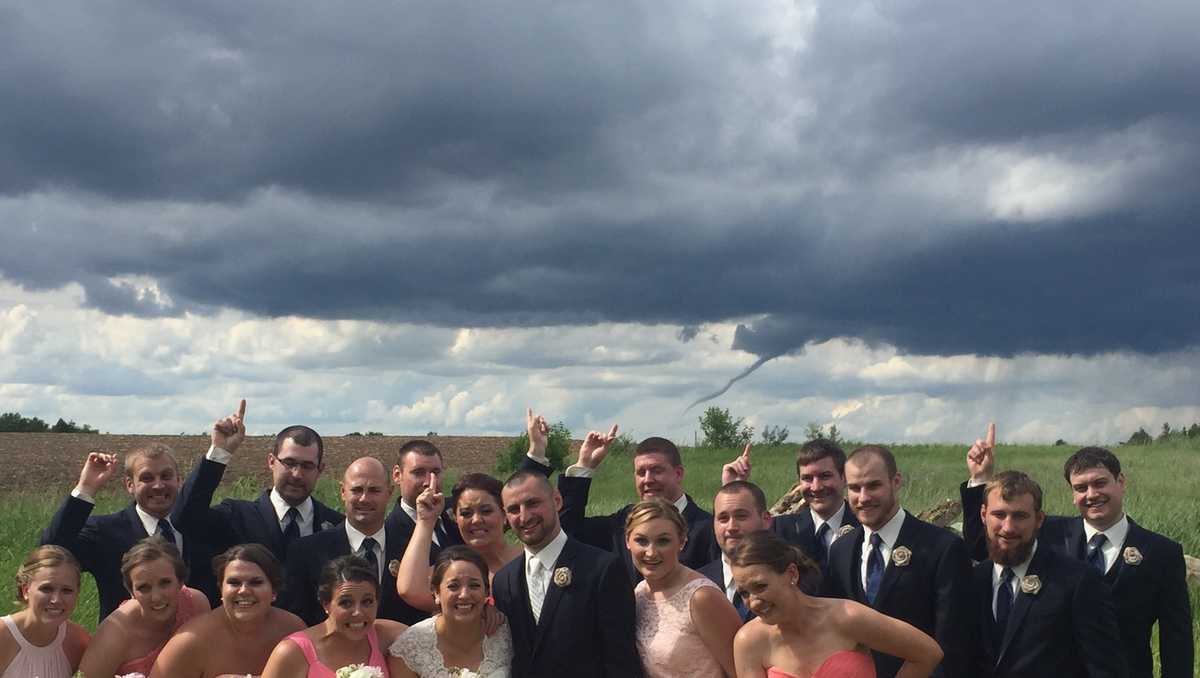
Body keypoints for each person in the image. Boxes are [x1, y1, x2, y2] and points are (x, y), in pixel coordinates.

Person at [961, 424, 1192, 678]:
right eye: (1081, 488)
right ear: (1072, 494)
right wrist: (981, 479)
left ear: (1121, 482)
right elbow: (987, 546)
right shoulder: (1047, 532)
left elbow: (1176, 640)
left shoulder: (1161, 553)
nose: (1092, 495)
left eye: (1100, 483)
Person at [822, 445, 973, 678]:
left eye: (873, 485)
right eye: (854, 488)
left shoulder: (942, 548)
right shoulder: (840, 550)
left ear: (896, 481)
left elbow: (953, 643)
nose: (863, 498)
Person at [525, 410, 716, 582]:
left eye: (657, 470)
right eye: (641, 472)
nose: (648, 479)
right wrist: (584, 466)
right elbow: (567, 531)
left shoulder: (707, 529)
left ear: (678, 474)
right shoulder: (623, 522)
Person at [969, 471, 1127, 677]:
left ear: (1039, 519)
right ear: (983, 515)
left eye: (1020, 516)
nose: (1008, 528)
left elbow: (1106, 669)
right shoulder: (972, 580)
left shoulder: (1078, 581)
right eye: (999, 515)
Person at [491, 470, 643, 677]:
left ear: (557, 500)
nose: (524, 516)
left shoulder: (602, 569)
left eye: (533, 503)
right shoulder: (503, 581)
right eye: (514, 509)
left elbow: (621, 660)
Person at [730, 531, 942, 678]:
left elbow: (927, 653)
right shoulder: (748, 641)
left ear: (791, 574)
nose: (754, 602)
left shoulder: (847, 617)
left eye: (761, 586)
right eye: (744, 593)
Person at [41, 447, 218, 620]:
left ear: (179, 480)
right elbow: (52, 549)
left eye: (166, 476)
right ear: (130, 485)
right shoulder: (105, 532)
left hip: (199, 643)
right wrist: (86, 487)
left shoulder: (210, 526)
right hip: (129, 644)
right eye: (147, 478)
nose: (158, 485)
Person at [176, 400, 344, 566]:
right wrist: (219, 453)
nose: (297, 474)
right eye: (289, 463)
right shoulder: (236, 518)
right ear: (271, 461)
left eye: (307, 466)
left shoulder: (337, 527)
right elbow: (186, 519)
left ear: (320, 469)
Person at [285, 457, 428, 625]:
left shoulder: (413, 549)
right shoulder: (306, 552)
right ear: (343, 492)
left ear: (389, 493)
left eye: (374, 490)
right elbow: (297, 619)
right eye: (357, 490)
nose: (364, 499)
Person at [152, 543, 306, 677]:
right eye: (234, 582)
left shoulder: (292, 630)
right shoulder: (190, 642)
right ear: (221, 590)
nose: (244, 590)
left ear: (274, 591)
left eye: (256, 582)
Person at [626, 499, 740, 678]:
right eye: (641, 541)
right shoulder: (639, 593)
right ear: (627, 541)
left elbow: (740, 670)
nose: (651, 552)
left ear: (682, 541)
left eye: (663, 541)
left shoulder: (702, 598)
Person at [77, 537, 209, 677]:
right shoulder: (114, 634)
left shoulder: (196, 604)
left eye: (165, 583)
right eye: (144, 588)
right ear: (131, 592)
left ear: (180, 581)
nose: (156, 597)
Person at [262, 555, 407, 678]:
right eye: (346, 603)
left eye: (367, 602)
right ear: (326, 604)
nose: (358, 612)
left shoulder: (386, 636)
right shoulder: (291, 652)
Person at [395, 472, 522, 611]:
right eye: (466, 513)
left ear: (504, 514)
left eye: (486, 511)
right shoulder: (449, 570)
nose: (476, 520)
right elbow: (409, 590)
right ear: (456, 518)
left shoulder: (527, 560)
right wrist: (425, 521)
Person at [388, 547, 514, 678]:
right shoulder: (409, 649)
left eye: (474, 586)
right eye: (453, 586)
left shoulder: (506, 634)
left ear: (486, 592)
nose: (464, 595)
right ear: (436, 592)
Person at [0, 545, 89, 678]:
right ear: (26, 590)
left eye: (67, 591)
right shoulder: (3, 636)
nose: (56, 600)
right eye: (46, 589)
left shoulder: (78, 641)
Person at [697, 480, 774, 622]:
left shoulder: (788, 578)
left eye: (741, 516)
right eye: (723, 518)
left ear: (766, 520)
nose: (731, 526)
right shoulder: (697, 582)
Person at [386, 440, 463, 559]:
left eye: (435, 473)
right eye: (418, 473)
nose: (428, 483)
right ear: (397, 475)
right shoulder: (388, 533)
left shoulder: (459, 513)